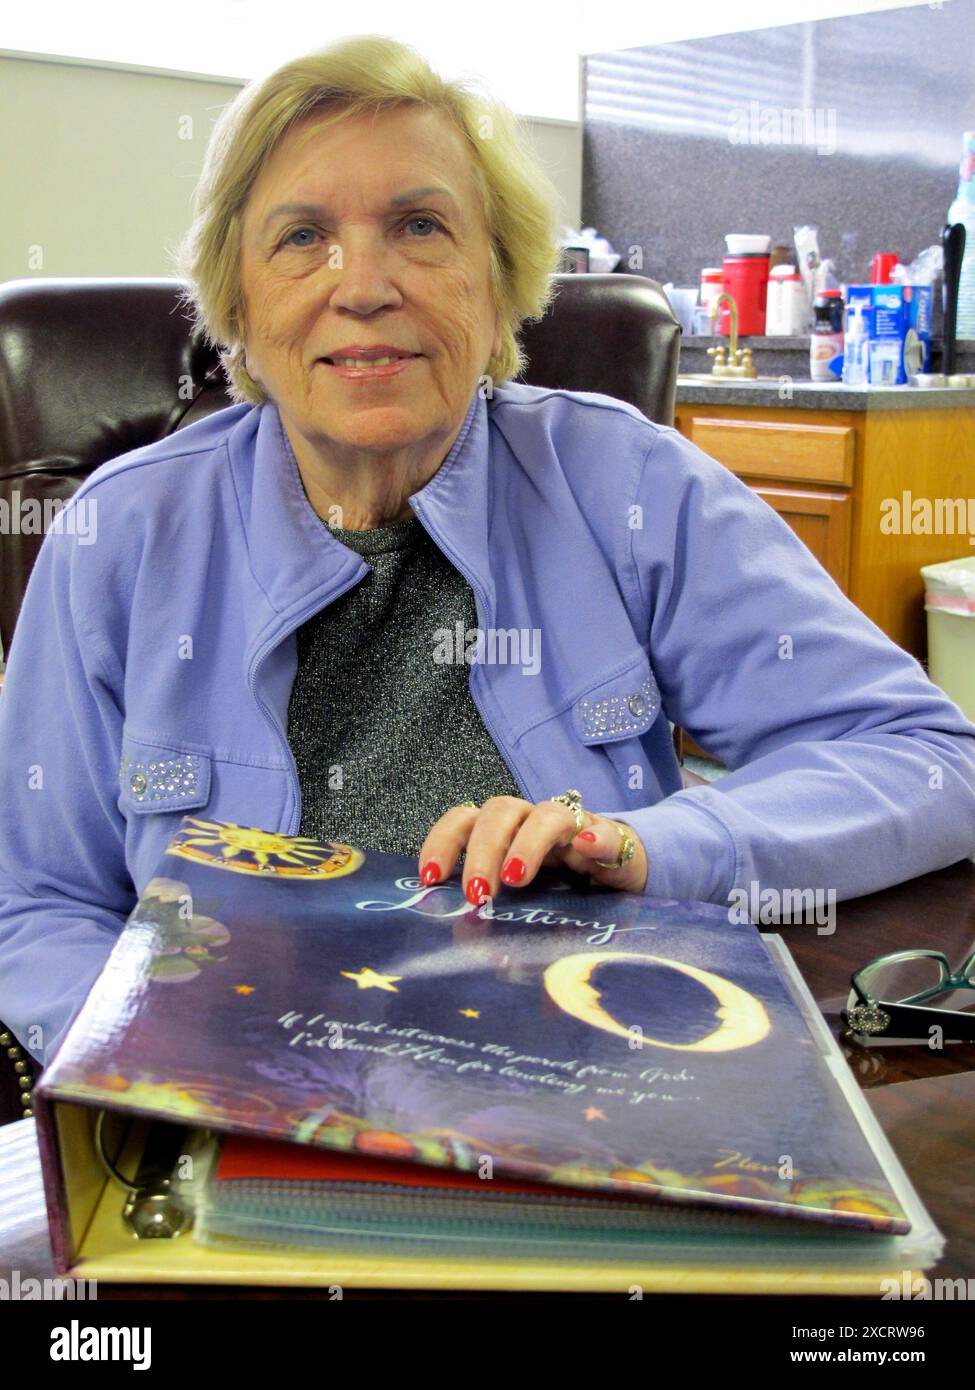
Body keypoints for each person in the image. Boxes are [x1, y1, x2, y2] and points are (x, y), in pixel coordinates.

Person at [1, 34, 974, 1069]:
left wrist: (657, 846)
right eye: (301, 236)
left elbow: (929, 763)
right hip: (232, 1120)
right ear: (238, 298)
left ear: (497, 273)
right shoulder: (120, 539)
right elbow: (35, 902)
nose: (363, 283)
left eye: (421, 226)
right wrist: (152, 1076)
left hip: (588, 1091)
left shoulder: (629, 486)